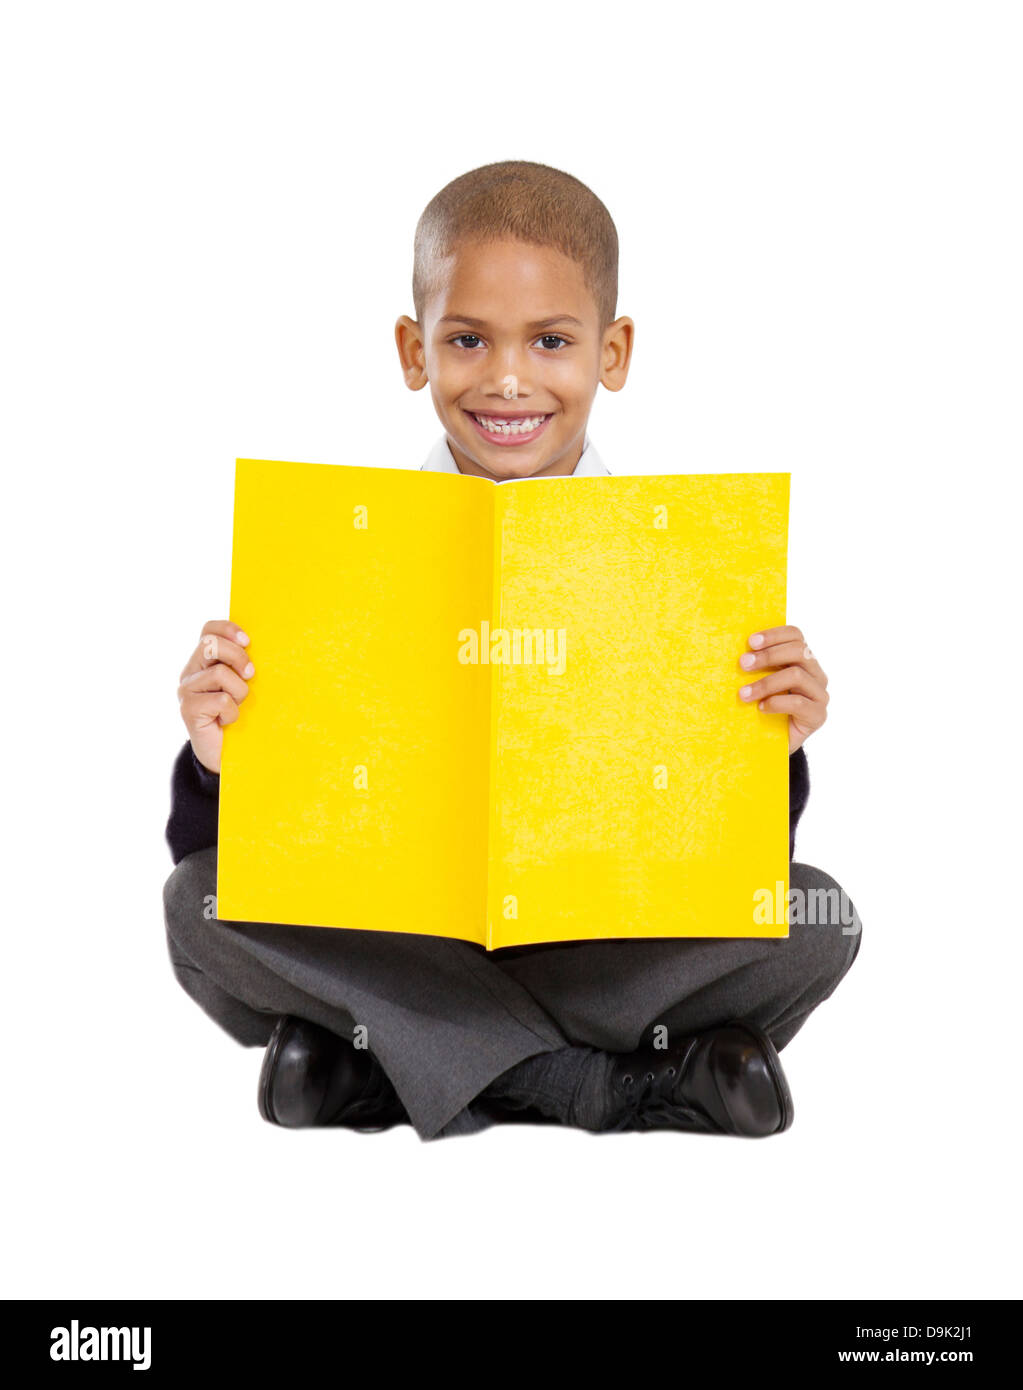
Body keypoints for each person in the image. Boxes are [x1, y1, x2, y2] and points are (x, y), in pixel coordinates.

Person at [163, 160, 861, 1142]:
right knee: (197, 902)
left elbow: (736, 866)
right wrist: (216, 758)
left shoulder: (682, 564)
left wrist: (773, 744)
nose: (506, 377)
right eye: (466, 339)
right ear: (414, 350)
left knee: (819, 918)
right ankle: (598, 1086)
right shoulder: (333, 551)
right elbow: (223, 850)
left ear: (612, 353)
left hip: (595, 948)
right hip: (399, 937)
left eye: (550, 340)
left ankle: (382, 1063)